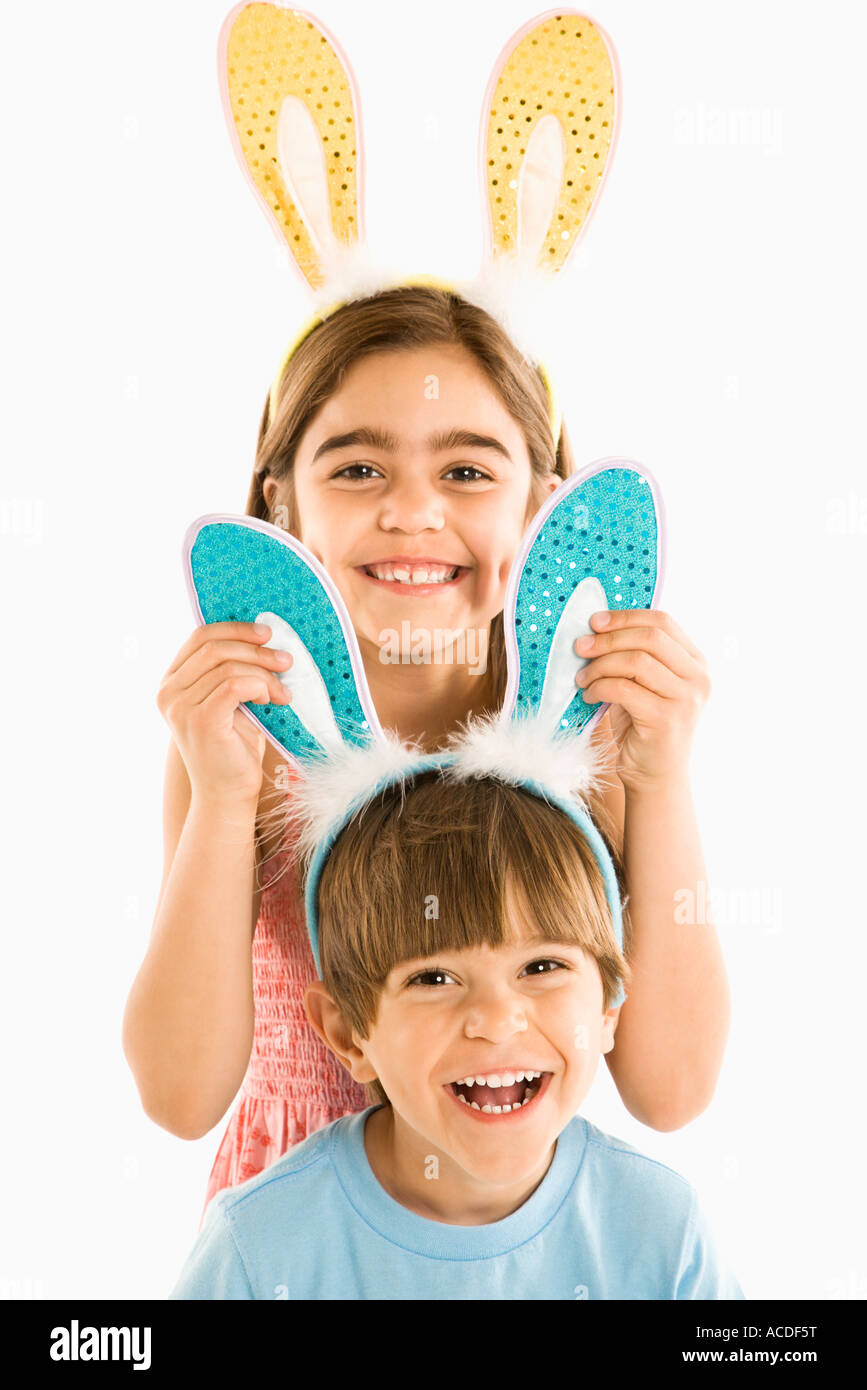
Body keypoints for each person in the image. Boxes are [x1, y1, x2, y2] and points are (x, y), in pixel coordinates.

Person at [123, 2, 729, 1219]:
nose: (412, 513)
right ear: (279, 502)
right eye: (356, 468)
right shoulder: (245, 725)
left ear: (542, 504)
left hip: (522, 1217)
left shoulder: (594, 718)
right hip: (296, 1219)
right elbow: (183, 1092)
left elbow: (668, 1087)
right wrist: (223, 787)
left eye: (466, 470)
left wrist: (662, 780)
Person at [170, 770, 742, 1300]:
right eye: (434, 977)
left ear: (609, 1007)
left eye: (542, 967)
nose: (496, 1019)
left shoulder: (662, 1231)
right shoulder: (257, 1248)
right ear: (348, 1033)